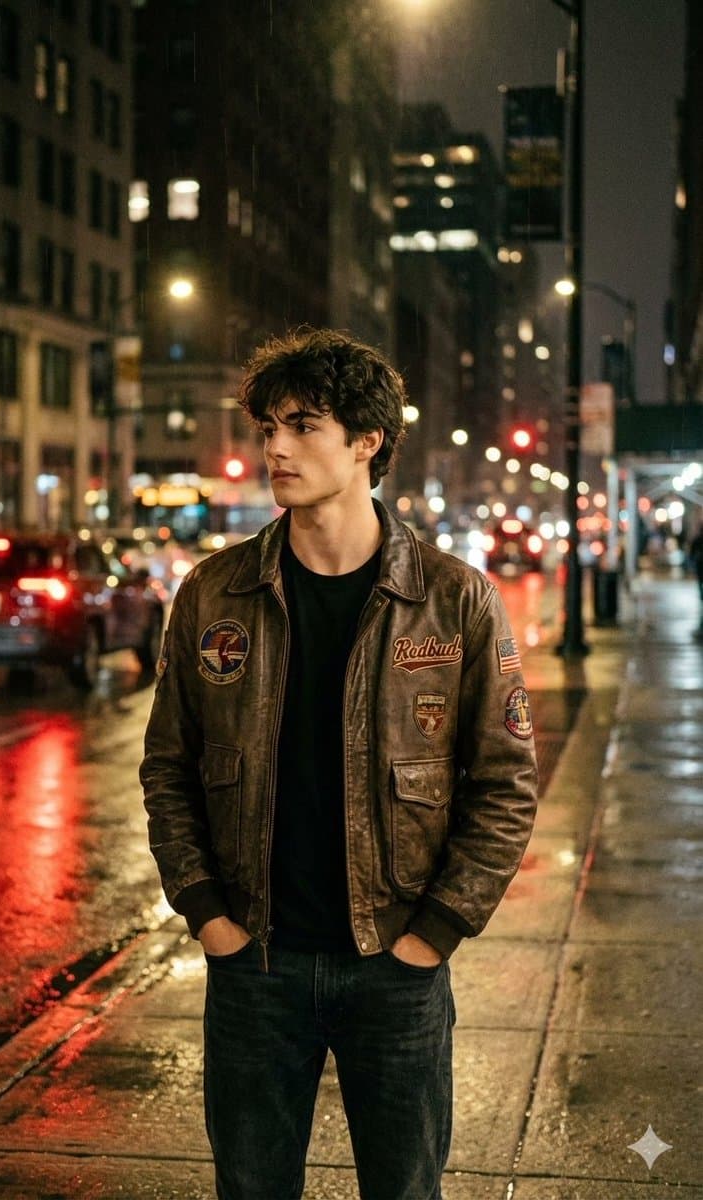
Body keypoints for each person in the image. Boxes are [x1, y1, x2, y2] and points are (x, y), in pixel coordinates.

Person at [140, 328, 538, 1200]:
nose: (275, 448)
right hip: (255, 964)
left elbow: (505, 785)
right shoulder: (213, 593)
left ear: (368, 442)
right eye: (268, 427)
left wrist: (431, 937)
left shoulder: (453, 597)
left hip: (394, 968)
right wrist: (210, 918)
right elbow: (168, 768)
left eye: (303, 425)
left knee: (403, 1190)